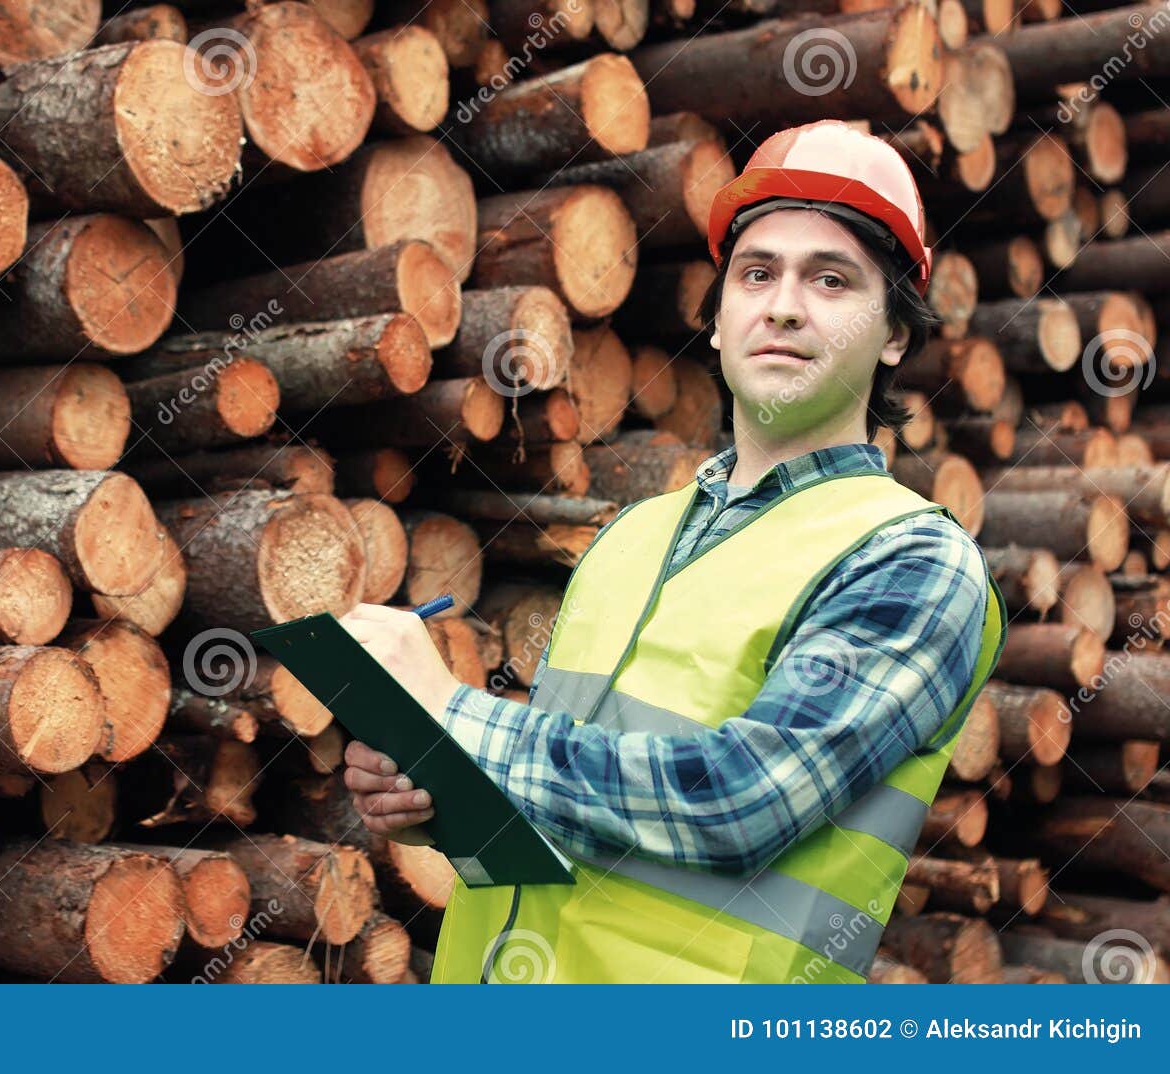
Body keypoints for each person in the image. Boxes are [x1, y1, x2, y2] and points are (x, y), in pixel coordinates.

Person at [338, 120, 1008, 984]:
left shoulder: (910, 560)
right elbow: (577, 799)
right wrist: (438, 790)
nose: (785, 304)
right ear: (721, 322)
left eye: (831, 279)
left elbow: (741, 800)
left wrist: (452, 715)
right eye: (757, 272)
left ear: (894, 337)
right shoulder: (631, 537)